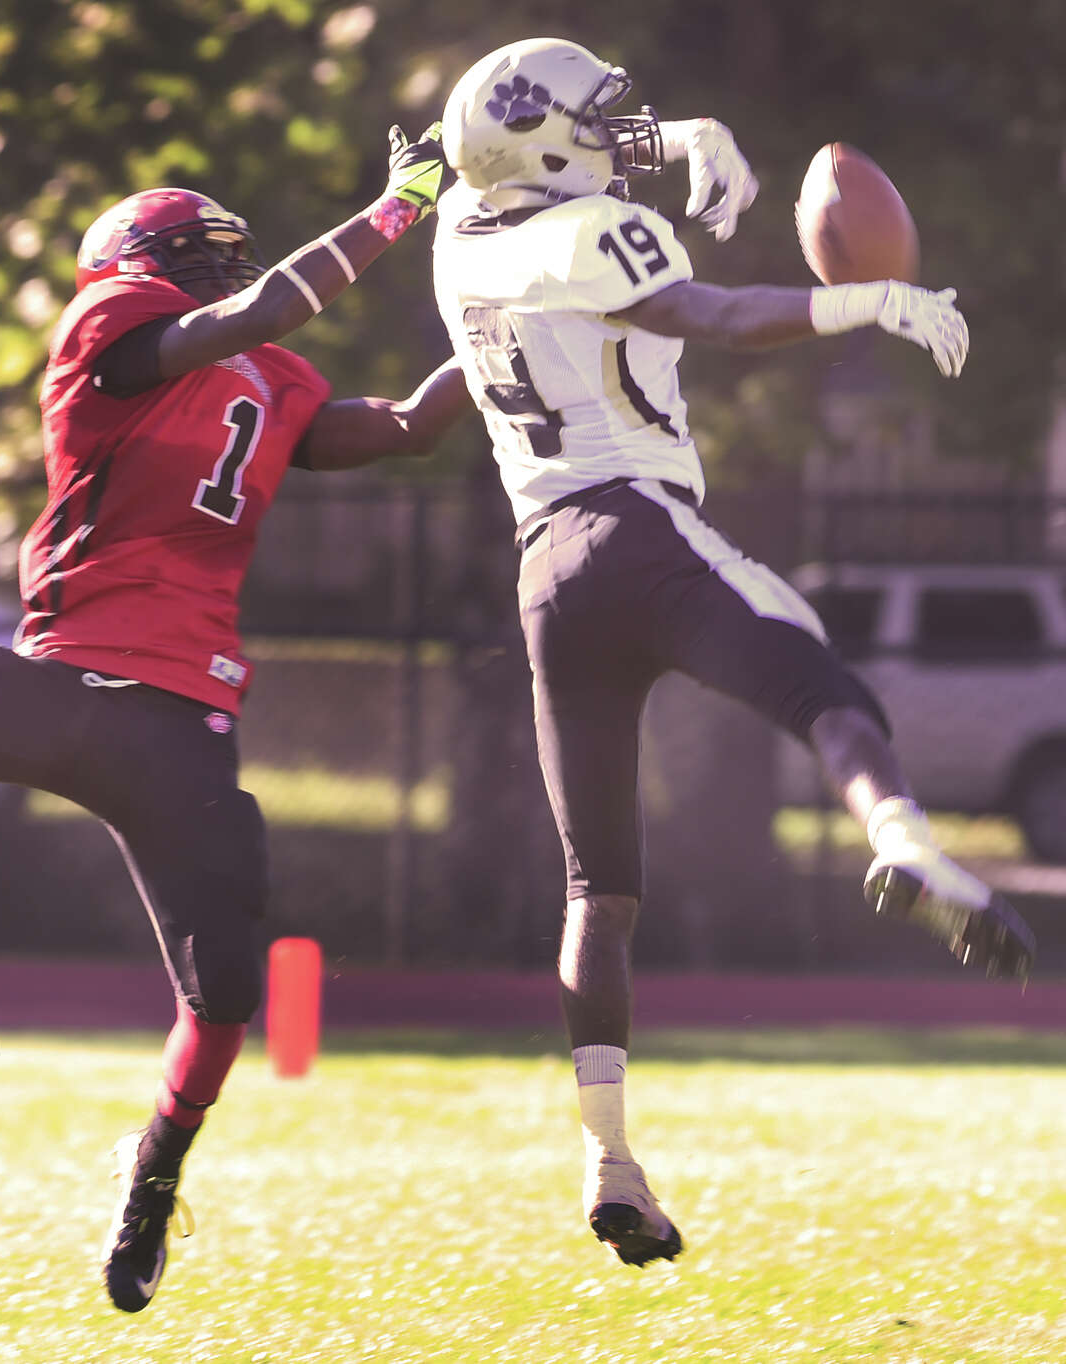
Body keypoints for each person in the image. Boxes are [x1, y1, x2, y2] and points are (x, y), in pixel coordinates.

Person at [430, 37, 1036, 1271]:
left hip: (546, 566)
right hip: (640, 526)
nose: (620, 130)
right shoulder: (594, 237)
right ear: (550, 148)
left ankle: (609, 1157)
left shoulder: (459, 226)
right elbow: (703, 310)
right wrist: (866, 302)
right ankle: (905, 838)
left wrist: (683, 138)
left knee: (598, 887)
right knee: (823, 683)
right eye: (601, 120)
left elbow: (544, 165)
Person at [0, 123, 469, 1313]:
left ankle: (153, 1175)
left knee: (227, 994)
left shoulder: (272, 370)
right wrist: (399, 209)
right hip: (72, 675)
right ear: (148, 261)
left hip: (186, 708)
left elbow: (407, 424)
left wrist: (515, 332)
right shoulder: (116, 327)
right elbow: (252, 312)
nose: (214, 269)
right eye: (202, 253)